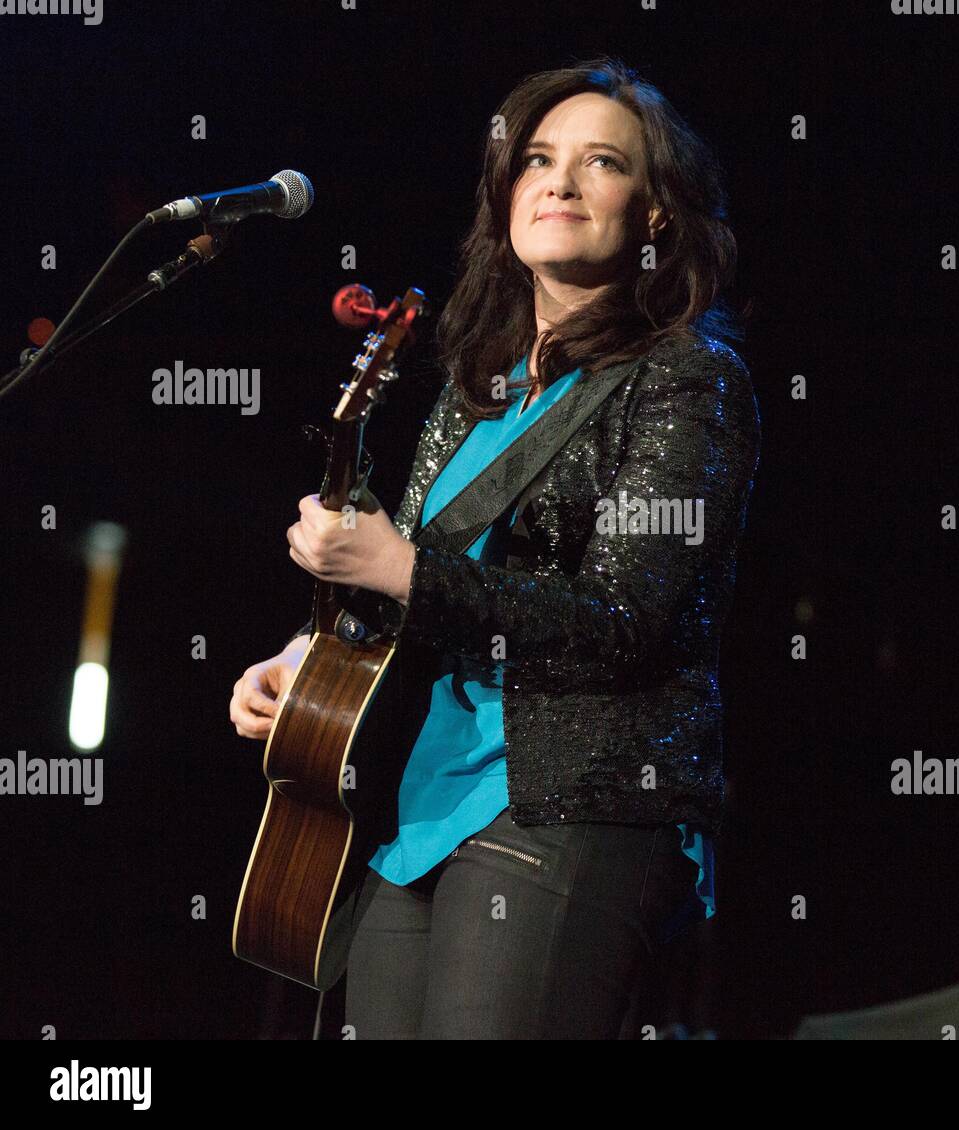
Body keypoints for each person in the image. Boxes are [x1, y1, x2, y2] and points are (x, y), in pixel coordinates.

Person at [229, 56, 760, 1039]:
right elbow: (423, 587)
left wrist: (399, 568)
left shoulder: (687, 379)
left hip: (564, 806)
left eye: (601, 162)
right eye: (537, 160)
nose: (557, 181)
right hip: (414, 810)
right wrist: (307, 661)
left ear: (654, 214)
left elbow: (622, 622)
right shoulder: (483, 385)